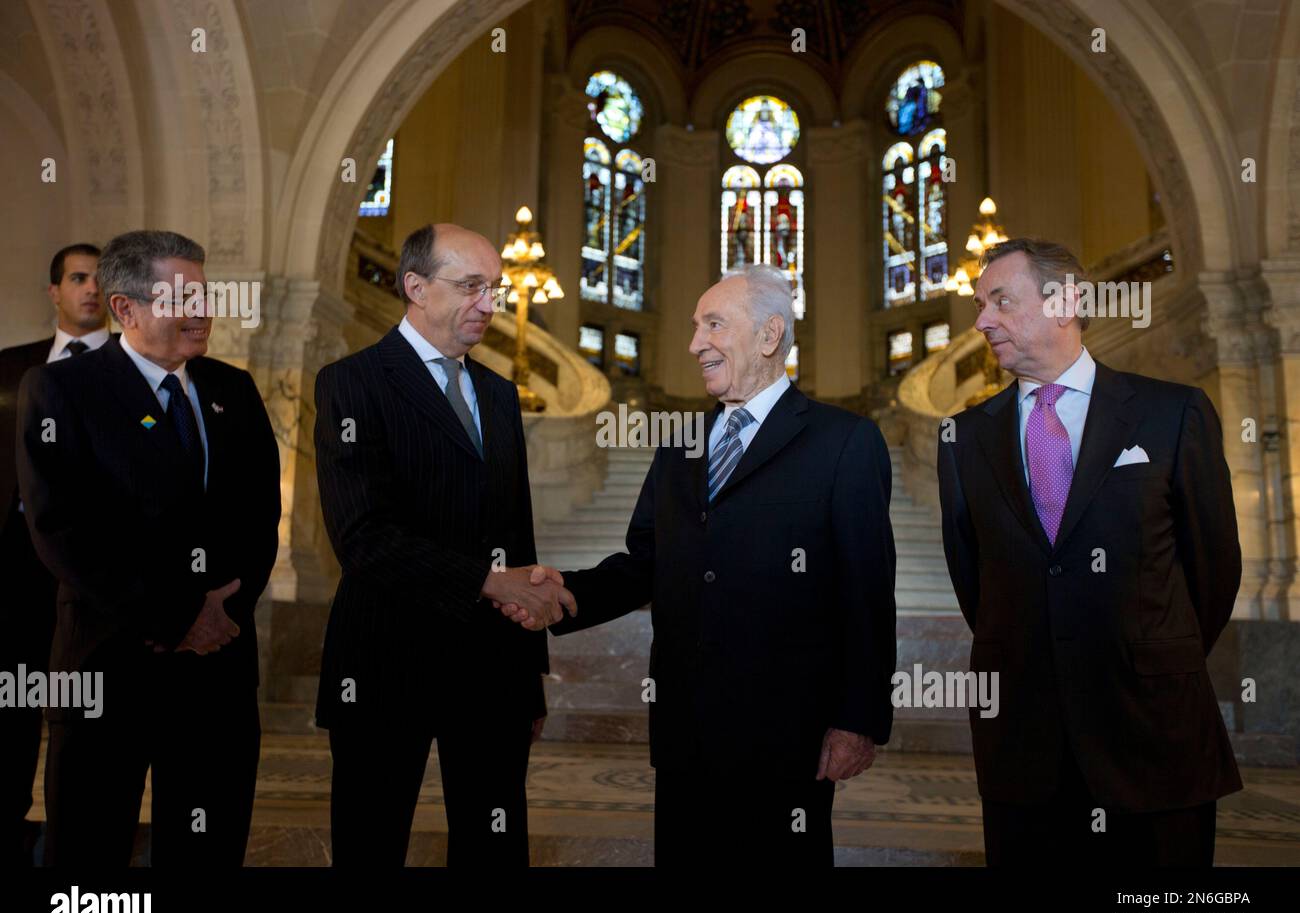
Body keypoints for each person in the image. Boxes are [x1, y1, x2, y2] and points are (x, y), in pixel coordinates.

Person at [504, 264, 897, 866]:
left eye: (714, 324)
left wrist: (858, 720)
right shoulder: (681, 443)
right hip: (684, 729)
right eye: (694, 327)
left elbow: (868, 591)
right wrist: (568, 592)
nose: (694, 344)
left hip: (787, 738)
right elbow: (645, 563)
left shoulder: (844, 441)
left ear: (769, 336)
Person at [937, 237, 1242, 866]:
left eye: (1000, 301)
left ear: (1066, 301)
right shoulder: (963, 439)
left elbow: (1212, 570)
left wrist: (1144, 651)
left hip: (1154, 736)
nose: (982, 321)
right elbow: (977, 582)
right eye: (979, 303)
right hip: (1023, 748)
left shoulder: (1171, 413)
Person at [313, 222, 575, 867]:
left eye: (495, 288)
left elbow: (517, 535)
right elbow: (361, 537)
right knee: (370, 844)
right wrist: (490, 583)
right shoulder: (353, 383)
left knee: (494, 847)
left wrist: (530, 676)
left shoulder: (500, 393)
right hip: (382, 659)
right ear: (415, 287)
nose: (489, 304)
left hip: (491, 667)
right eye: (470, 287)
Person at [17, 230, 281, 866]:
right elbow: (62, 532)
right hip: (108, 665)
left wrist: (223, 616)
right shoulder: (61, 392)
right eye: (180, 297)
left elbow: (258, 519)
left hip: (216, 669)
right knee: (87, 856)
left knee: (208, 847)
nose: (200, 312)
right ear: (125, 308)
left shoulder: (233, 390)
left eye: (204, 295)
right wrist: (177, 616)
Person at [0, 242, 108, 865]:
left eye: (99, 279)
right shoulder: (9, 366)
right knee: (9, 709)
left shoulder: (130, 368)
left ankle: (70, 853)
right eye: (76, 277)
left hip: (90, 574)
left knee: (80, 718)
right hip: (12, 568)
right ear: (54, 291)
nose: (89, 289)